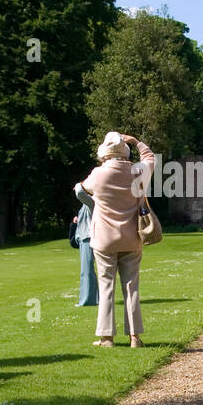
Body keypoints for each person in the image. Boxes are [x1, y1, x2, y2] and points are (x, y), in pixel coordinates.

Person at [79, 132, 155, 347]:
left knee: (106, 288)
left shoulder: (98, 174)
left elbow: (81, 189)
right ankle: (134, 337)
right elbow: (150, 158)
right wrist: (136, 141)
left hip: (104, 239)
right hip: (132, 237)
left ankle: (106, 337)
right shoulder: (137, 171)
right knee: (132, 288)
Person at [73, 187, 98, 307]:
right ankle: (94, 298)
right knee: (88, 271)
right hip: (86, 237)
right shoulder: (89, 203)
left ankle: (88, 300)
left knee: (87, 271)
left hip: (88, 238)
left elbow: (79, 192)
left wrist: (80, 184)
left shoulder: (92, 201)